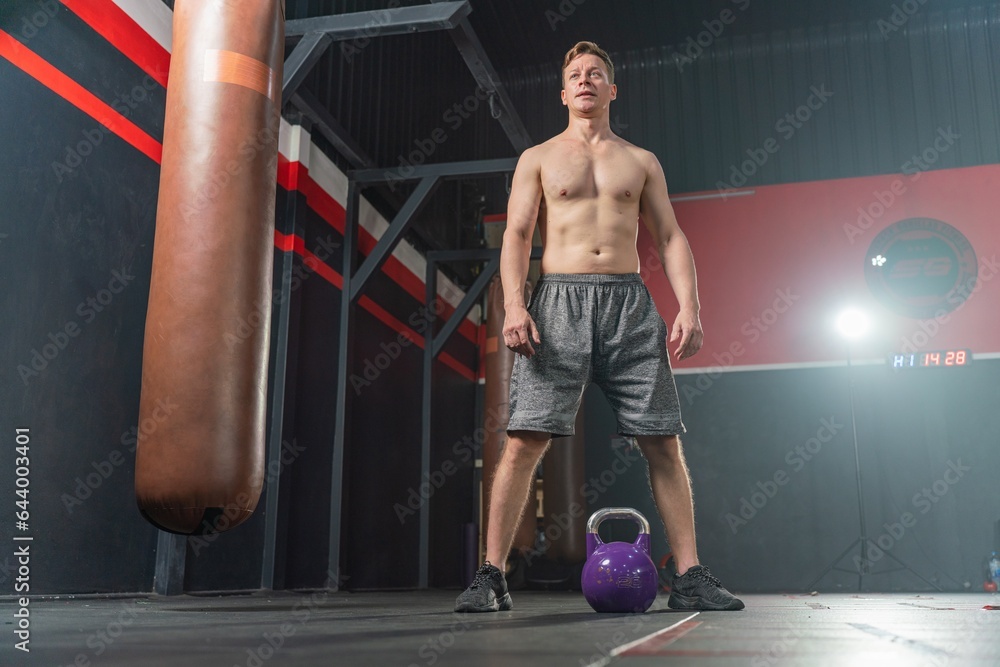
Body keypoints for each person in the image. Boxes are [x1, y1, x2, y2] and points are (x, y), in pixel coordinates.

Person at [455, 41, 744, 613]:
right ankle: (491, 576)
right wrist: (515, 304)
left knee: (662, 440)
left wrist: (690, 307)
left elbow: (669, 236)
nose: (585, 80)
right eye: (575, 75)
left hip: (628, 305)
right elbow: (517, 235)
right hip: (557, 301)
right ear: (563, 93)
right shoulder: (538, 158)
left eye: (595, 73)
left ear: (613, 89)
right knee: (524, 441)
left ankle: (689, 576)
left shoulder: (641, 161)